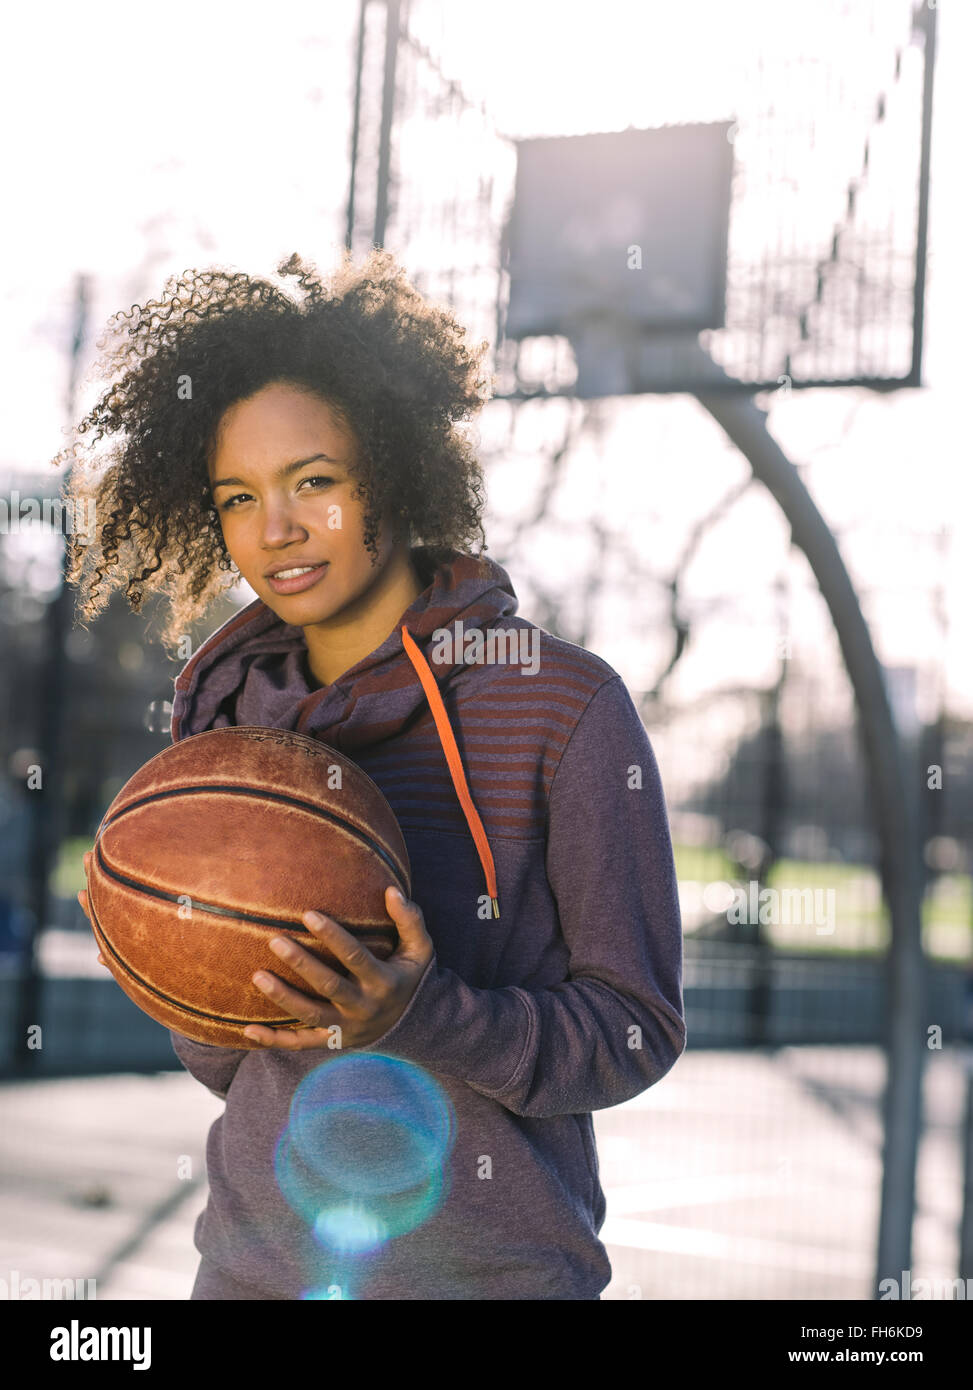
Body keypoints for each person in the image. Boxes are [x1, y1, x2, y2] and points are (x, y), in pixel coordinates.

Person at [66, 248, 686, 1300]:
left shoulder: (560, 704)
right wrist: (181, 956)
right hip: (252, 1274)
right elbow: (228, 1057)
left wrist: (423, 1014)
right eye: (236, 497)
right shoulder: (222, 723)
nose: (275, 530)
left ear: (393, 473)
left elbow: (635, 1028)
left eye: (315, 482)